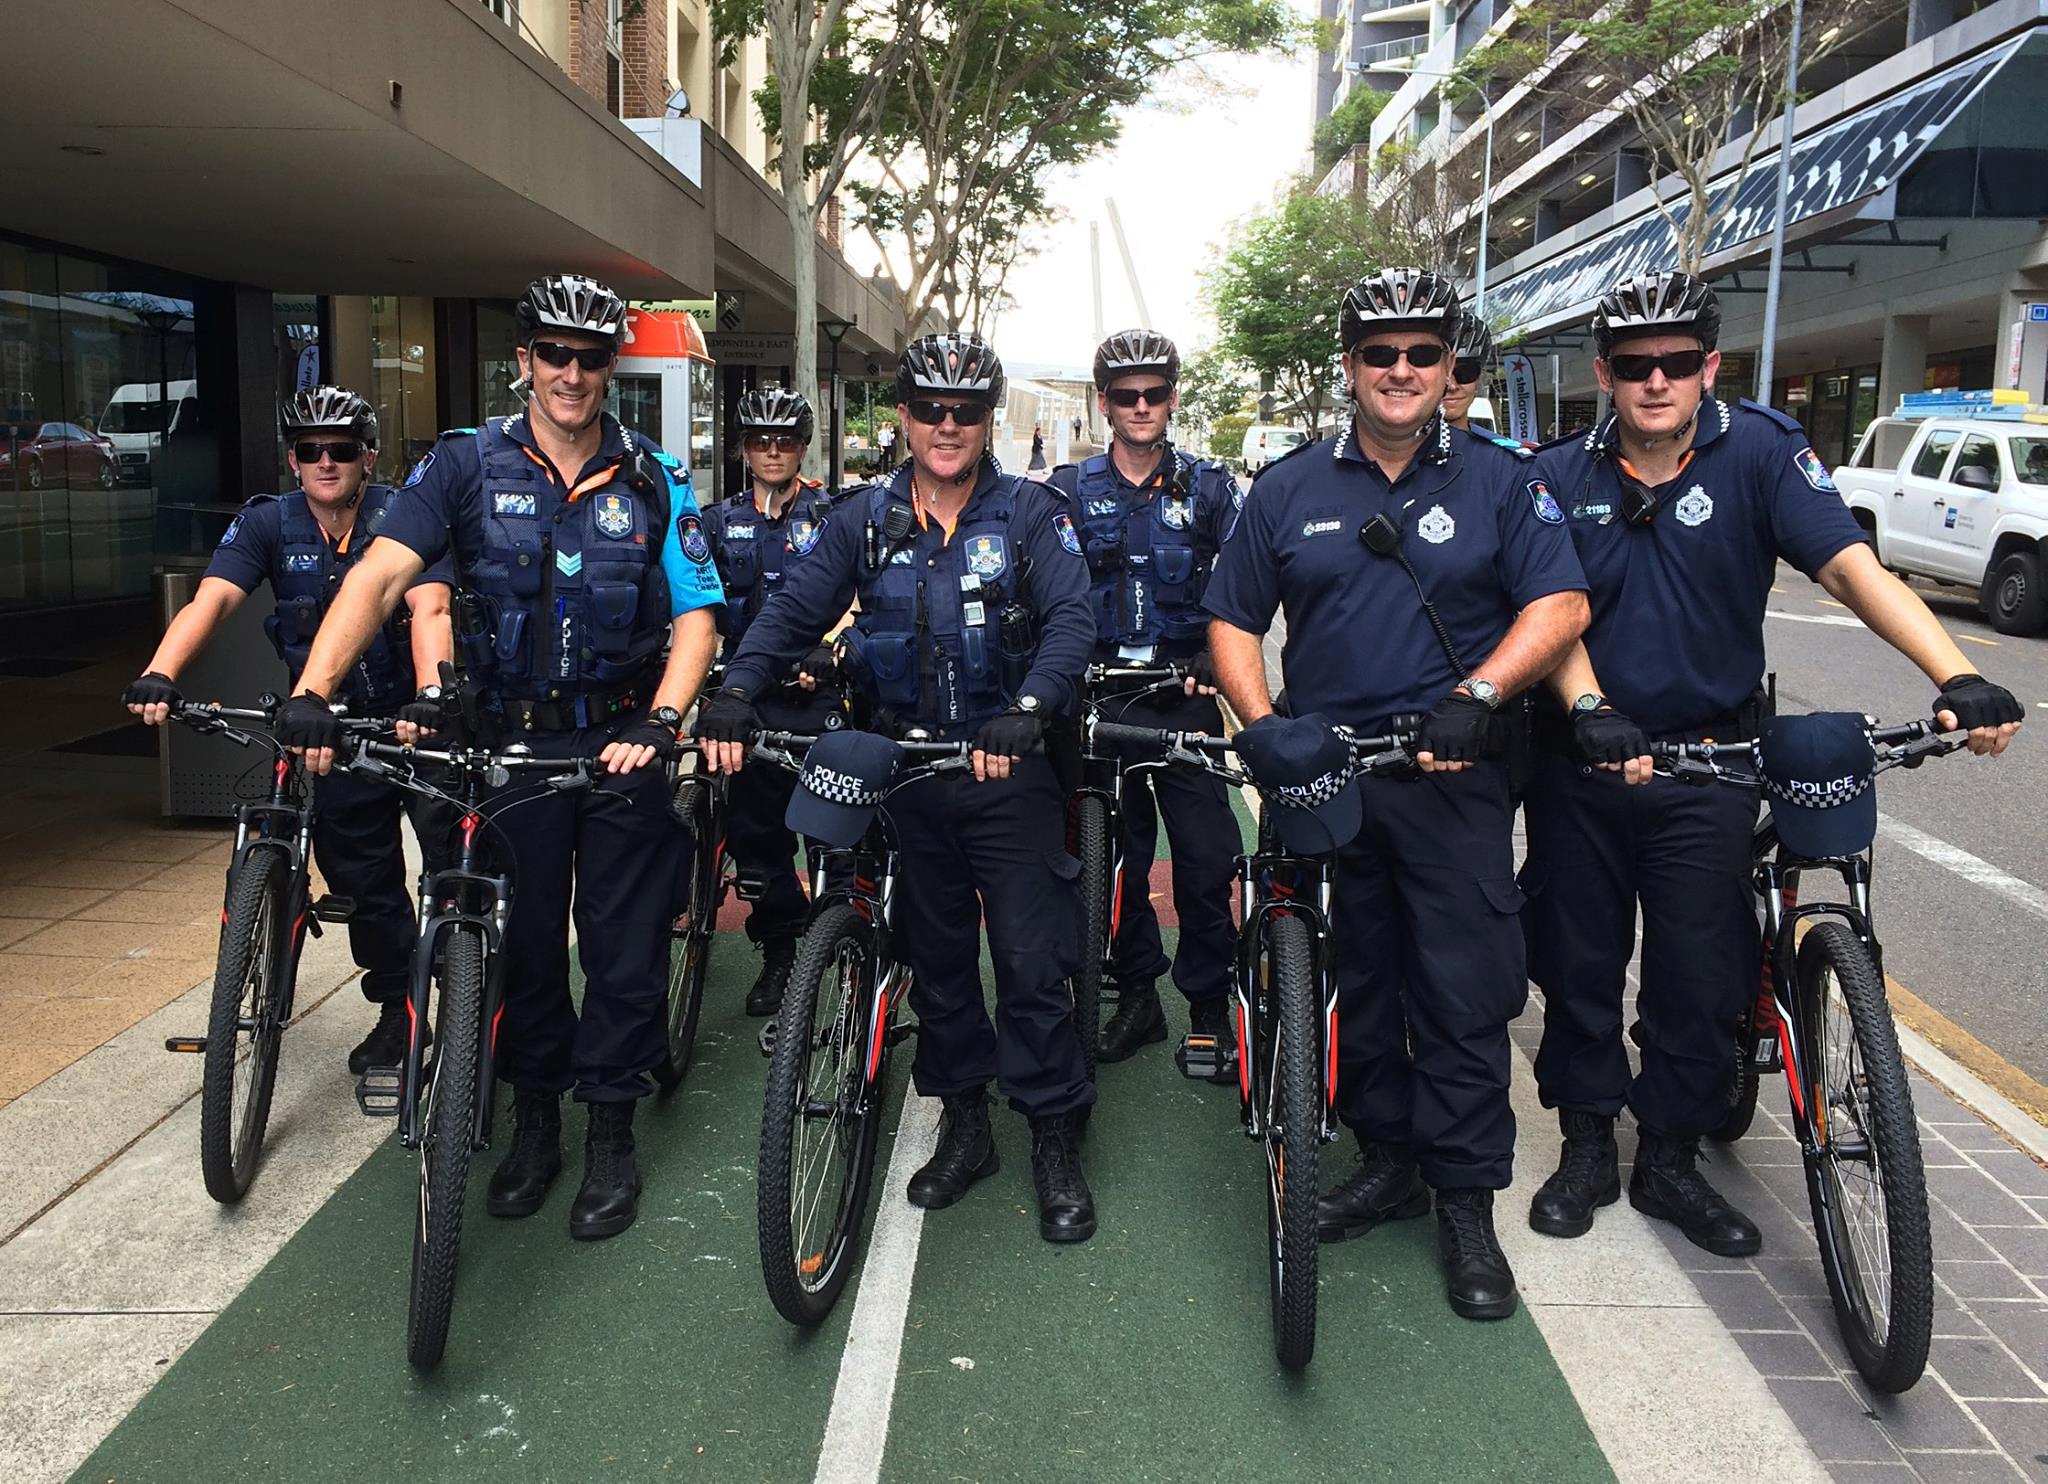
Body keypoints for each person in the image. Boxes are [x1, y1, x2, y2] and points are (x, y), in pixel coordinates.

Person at [1520, 271, 2024, 1256]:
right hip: (1582, 763)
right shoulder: (1551, 474)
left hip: (1711, 762)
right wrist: (1590, 708)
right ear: (1603, 375)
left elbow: (1846, 565)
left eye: (1675, 361)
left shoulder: (1759, 449)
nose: (1654, 380)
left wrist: (1955, 670)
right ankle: (1586, 1141)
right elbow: (1548, 606)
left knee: (1698, 975)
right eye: (1632, 365)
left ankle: (1664, 1157)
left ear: (1708, 365)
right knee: (1574, 962)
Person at [272, 274, 723, 1242]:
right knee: (521, 949)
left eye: (589, 355)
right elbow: (381, 575)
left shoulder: (655, 476)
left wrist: (664, 717)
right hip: (506, 745)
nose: (569, 372)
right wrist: (314, 690)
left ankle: (608, 1129)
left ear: (610, 367)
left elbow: (695, 617)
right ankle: (532, 1123)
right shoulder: (464, 466)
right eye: (551, 353)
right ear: (522, 359)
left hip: (620, 745)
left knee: (621, 946)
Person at [1204, 268, 1590, 1321]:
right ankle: (1385, 1160)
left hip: (1452, 773)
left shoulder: (1501, 480)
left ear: (1444, 366)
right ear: (1349, 367)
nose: (1402, 370)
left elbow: (1558, 602)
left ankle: (1463, 1200)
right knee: (1357, 979)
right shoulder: (1285, 487)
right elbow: (1233, 618)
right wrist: (1266, 725)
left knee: (1463, 994)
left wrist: (1479, 691)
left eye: (1422, 353)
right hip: (1327, 775)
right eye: (1380, 353)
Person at [697, 332, 1101, 1244]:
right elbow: (794, 608)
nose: (947, 426)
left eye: (965, 411)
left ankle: (1051, 1133)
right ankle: (966, 1125)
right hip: (906, 776)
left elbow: (1076, 617)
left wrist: (1031, 705)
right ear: (905, 417)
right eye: (930, 409)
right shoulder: (861, 519)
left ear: (988, 418)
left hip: (1004, 767)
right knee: (941, 960)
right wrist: (734, 692)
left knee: (1035, 965)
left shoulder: (1034, 514)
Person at [122, 386, 455, 1076]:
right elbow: (210, 600)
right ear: (292, 460)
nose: (325, 462)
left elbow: (429, 607)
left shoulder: (407, 514)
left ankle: (473, 986)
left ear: (367, 456)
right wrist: (159, 672)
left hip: (420, 720)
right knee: (367, 883)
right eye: (310, 451)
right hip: (328, 727)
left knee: (454, 866)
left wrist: (430, 696)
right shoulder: (268, 523)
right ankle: (401, 1008)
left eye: (340, 450)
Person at [1047, 329, 1243, 1073]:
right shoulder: (1067, 490)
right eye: (1125, 395)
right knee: (1114, 860)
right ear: (1103, 402)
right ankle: (1136, 996)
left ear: (1172, 398)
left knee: (1206, 859)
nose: (1140, 406)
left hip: (1180, 692)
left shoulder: (1211, 487)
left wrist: (1214, 655)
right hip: (1098, 699)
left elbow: (1249, 581)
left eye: (1153, 393)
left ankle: (1205, 1006)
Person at [701, 387, 847, 1018]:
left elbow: (857, 598)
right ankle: (782, 952)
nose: (772, 451)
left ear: (803, 446)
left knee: (832, 835)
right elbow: (695, 604)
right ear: (742, 447)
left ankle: (840, 952)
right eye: (759, 439)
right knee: (757, 838)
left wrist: (831, 649)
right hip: (746, 704)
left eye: (785, 440)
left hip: (817, 696)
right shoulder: (713, 522)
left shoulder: (835, 514)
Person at [1442, 315, 1497, 435]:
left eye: (1465, 373)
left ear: (1479, 378)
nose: (1452, 386)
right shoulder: (1394, 452)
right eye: (1442, 373)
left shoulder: (1501, 453)